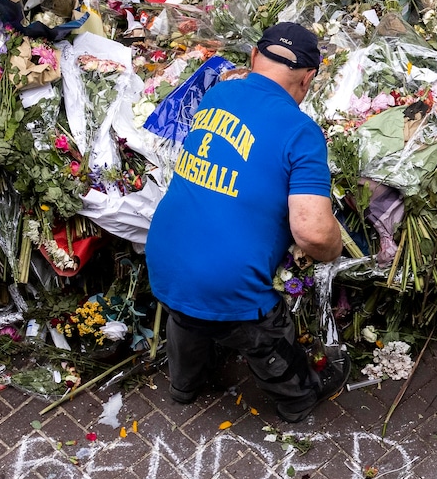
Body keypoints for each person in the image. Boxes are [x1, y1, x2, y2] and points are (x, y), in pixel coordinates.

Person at [144, 22, 348, 420]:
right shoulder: (301, 132)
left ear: (254, 57)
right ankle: (297, 397)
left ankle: (184, 384)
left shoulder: (220, 92)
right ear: (308, 79)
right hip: (228, 280)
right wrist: (333, 249)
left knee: (186, 317)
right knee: (264, 336)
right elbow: (312, 233)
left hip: (166, 256)